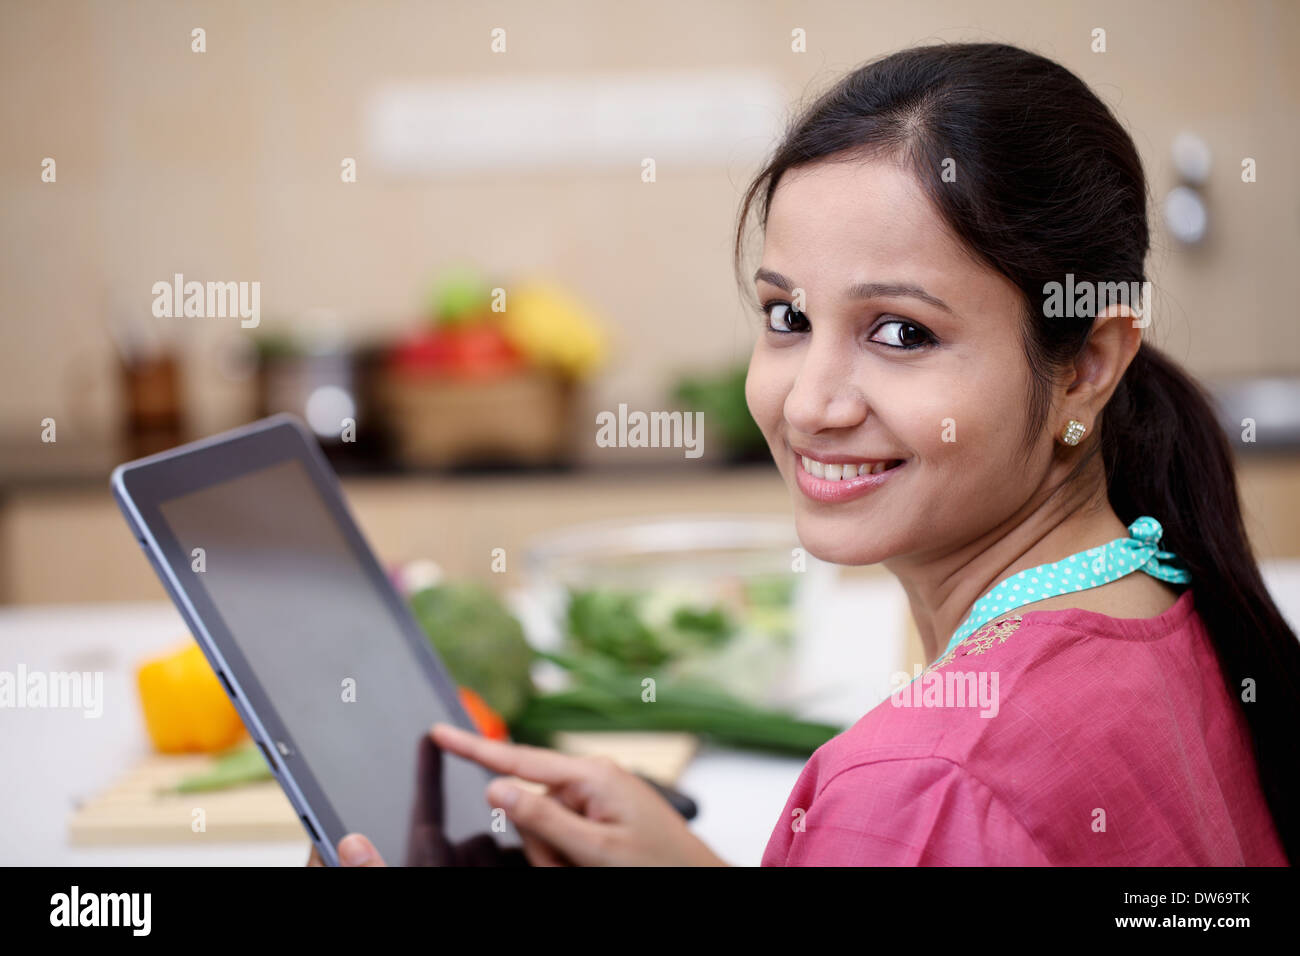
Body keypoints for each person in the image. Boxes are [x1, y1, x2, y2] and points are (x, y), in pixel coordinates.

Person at [311, 42, 1298, 867]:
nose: (810, 403)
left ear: (1086, 362)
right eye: (787, 316)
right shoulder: (1167, 598)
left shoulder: (925, 785)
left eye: (901, 332)